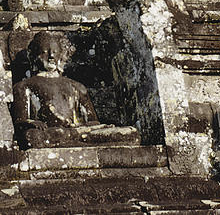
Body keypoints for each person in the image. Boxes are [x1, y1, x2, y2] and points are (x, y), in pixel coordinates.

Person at [12, 32, 140, 148]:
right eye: (45, 52)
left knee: (131, 133)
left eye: (55, 52)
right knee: (32, 137)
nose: (51, 56)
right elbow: (20, 122)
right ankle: (78, 142)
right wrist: (31, 123)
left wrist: (88, 127)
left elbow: (92, 121)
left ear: (61, 55)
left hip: (79, 132)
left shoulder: (76, 86)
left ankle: (75, 141)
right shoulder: (24, 86)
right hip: (53, 133)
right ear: (34, 55)